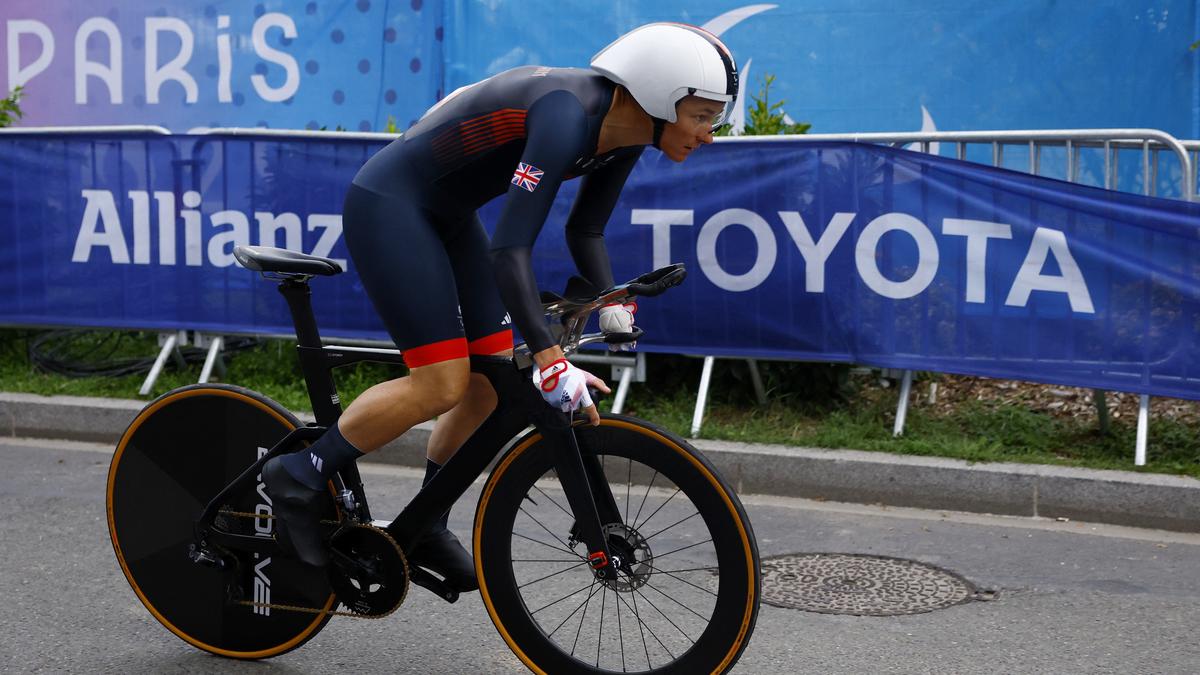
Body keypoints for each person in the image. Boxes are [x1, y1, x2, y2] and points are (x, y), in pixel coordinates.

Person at [262, 22, 739, 590]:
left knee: (488, 386)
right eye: (703, 116)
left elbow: (587, 229)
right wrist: (550, 359)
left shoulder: (630, 131)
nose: (709, 133)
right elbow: (509, 250)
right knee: (440, 384)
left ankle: (426, 522)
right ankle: (300, 471)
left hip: (448, 213)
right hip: (390, 204)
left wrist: (610, 300)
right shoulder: (567, 115)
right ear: (660, 95)